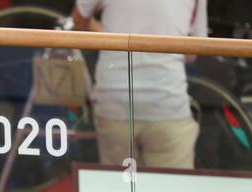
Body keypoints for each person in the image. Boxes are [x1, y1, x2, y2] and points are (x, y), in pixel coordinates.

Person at [70, 0, 206, 171]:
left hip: (114, 99)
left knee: (120, 190)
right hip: (167, 101)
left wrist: (113, 37)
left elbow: (79, 19)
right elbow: (195, 48)